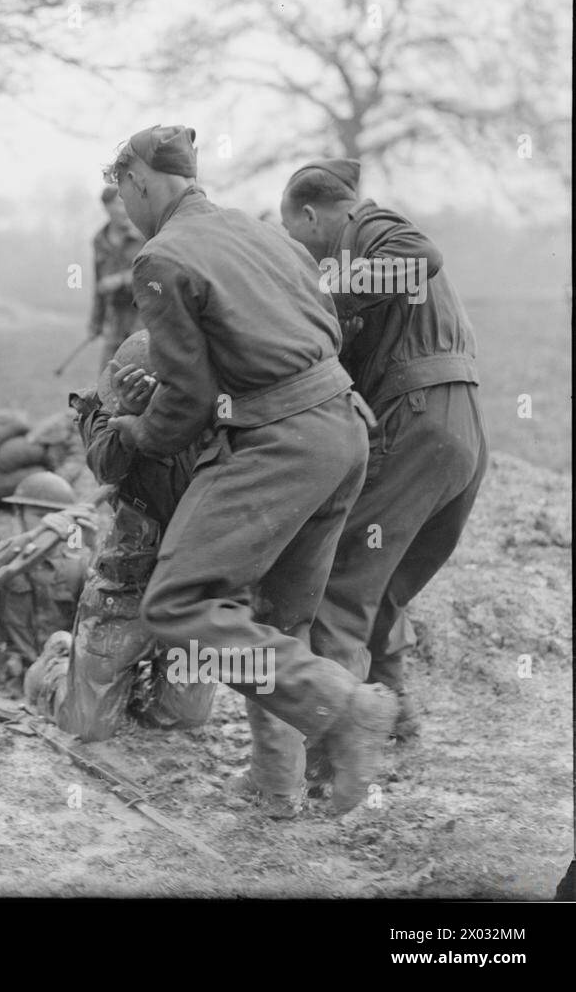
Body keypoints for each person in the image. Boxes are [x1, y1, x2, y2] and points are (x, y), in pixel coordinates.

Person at [103, 124, 399, 818]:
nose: (124, 210)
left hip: (280, 437)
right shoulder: (266, 232)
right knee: (279, 616)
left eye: (123, 194)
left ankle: (346, 709)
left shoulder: (162, 255)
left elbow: (187, 400)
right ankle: (277, 784)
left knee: (182, 605)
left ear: (139, 182)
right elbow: (322, 322)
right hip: (344, 427)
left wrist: (134, 431)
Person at [281, 158, 488, 747]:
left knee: (341, 585)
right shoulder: (359, 259)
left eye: (298, 238)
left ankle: (335, 757)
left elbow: (421, 257)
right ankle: (394, 720)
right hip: (460, 427)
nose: (306, 256)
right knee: (385, 581)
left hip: (422, 420)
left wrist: (323, 291)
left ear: (314, 214)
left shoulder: (368, 227)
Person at [25, 331, 215, 740]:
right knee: (87, 724)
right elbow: (106, 467)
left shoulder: (212, 410)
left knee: (186, 714)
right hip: (127, 578)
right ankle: (54, 668)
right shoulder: (100, 409)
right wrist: (130, 417)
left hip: (191, 578)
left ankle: (132, 691)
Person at [0, 471, 95, 698]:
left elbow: (105, 620)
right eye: (40, 515)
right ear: (18, 514)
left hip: (56, 687)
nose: (52, 523)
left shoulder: (77, 567)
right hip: (4, 689)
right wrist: (34, 536)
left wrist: (95, 547)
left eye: (58, 516)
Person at [89, 184, 148, 373]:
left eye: (125, 203)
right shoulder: (99, 241)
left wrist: (121, 279)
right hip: (114, 317)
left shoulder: (144, 235)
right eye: (117, 204)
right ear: (107, 208)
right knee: (106, 377)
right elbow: (98, 285)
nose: (123, 209)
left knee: (138, 370)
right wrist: (95, 322)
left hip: (141, 315)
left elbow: (153, 273)